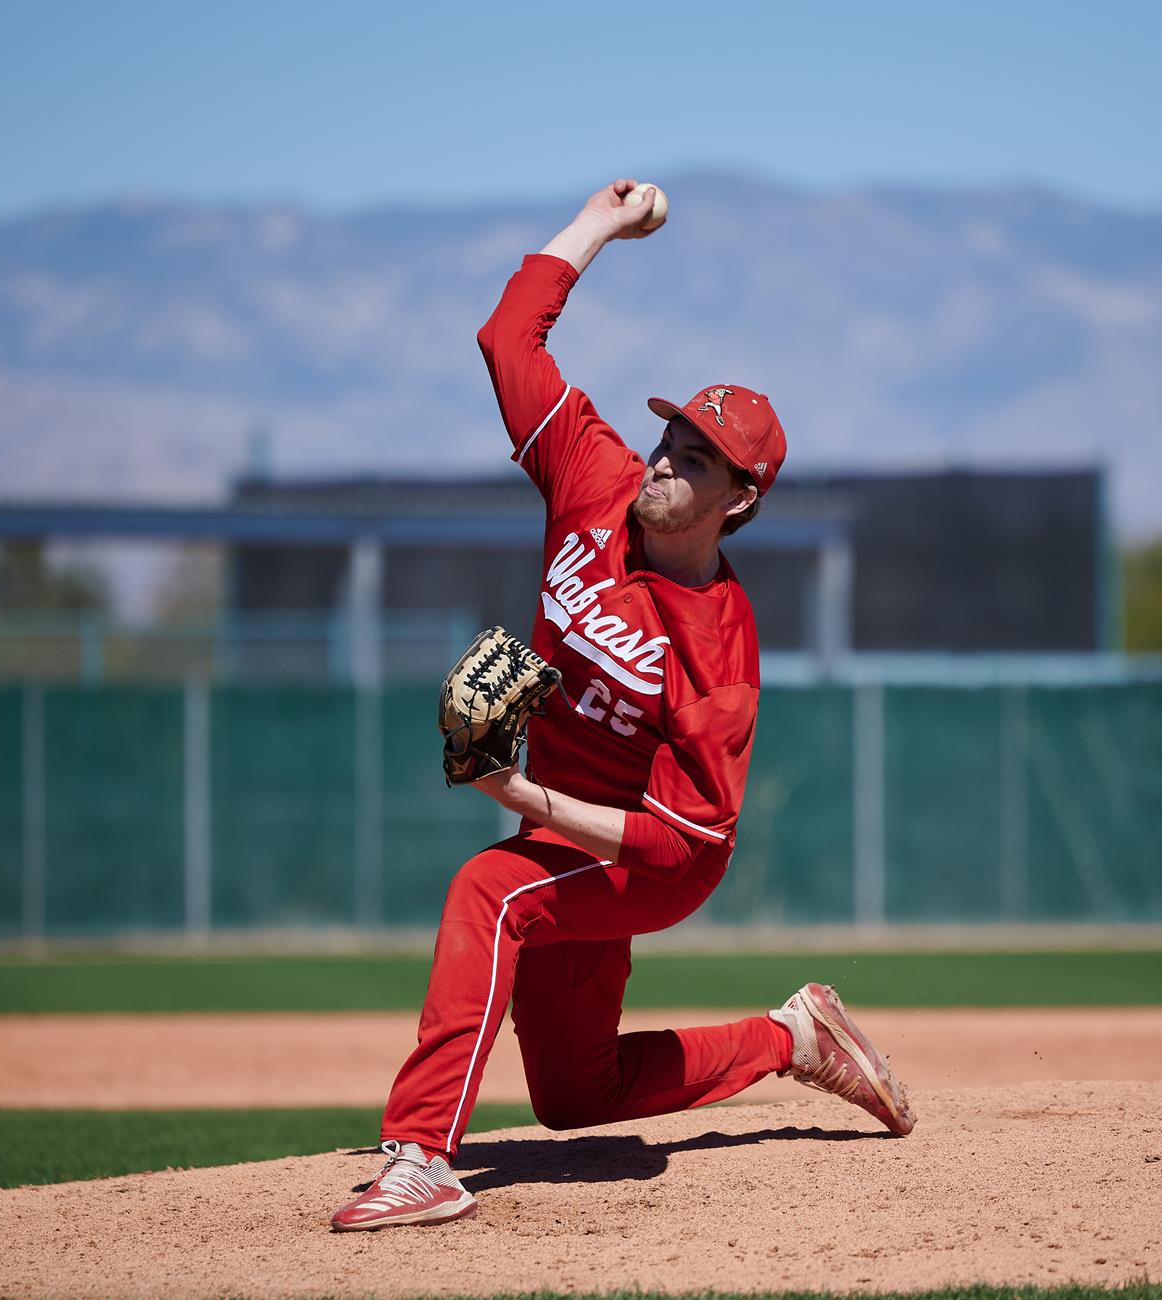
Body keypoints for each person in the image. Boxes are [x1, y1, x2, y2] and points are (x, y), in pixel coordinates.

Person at [330, 181, 915, 1233]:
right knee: (573, 1094)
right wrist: (600, 222)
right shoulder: (593, 479)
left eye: (694, 461)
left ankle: (420, 1156)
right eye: (668, 439)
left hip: (652, 857)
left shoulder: (719, 655)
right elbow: (507, 338)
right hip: (561, 821)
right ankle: (793, 1037)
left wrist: (524, 796)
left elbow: (677, 840)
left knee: (488, 891)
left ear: (739, 499)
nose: (662, 465)